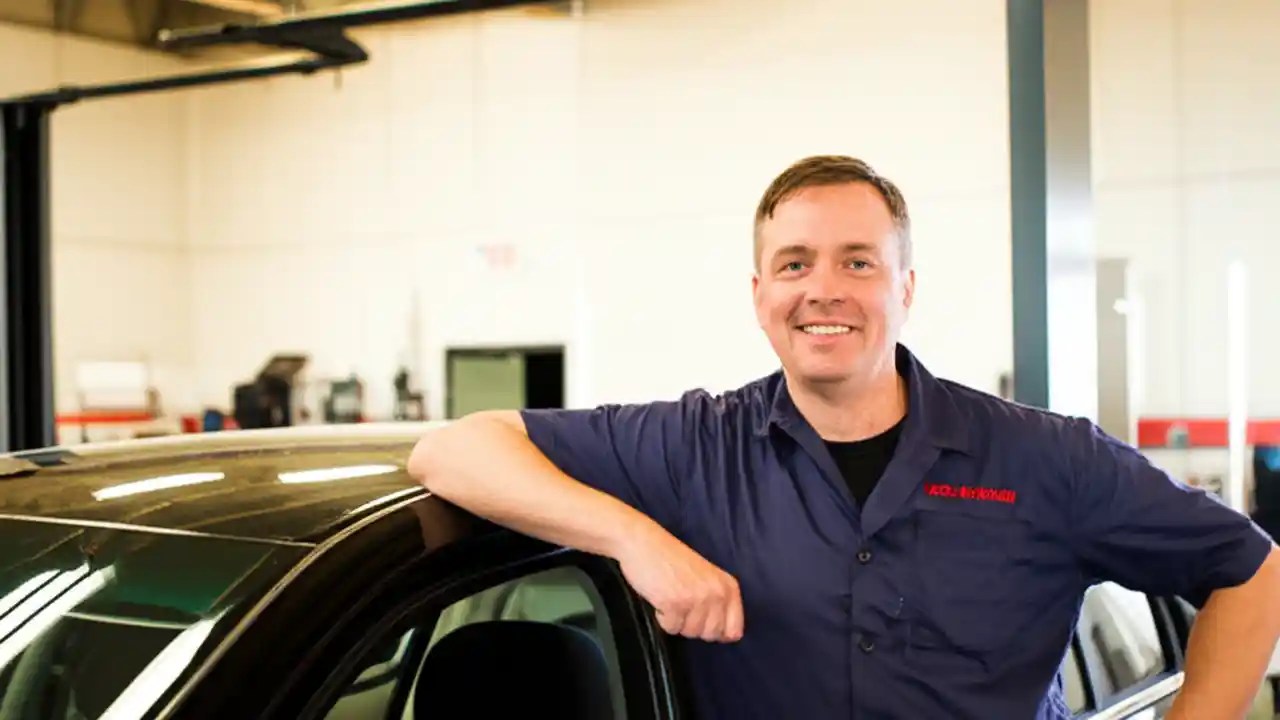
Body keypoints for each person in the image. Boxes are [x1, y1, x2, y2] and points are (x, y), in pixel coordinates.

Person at [407, 155, 1280, 719]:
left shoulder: (1046, 458)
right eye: (795, 264)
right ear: (759, 295)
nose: (823, 290)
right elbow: (450, 451)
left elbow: (1252, 569)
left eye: (857, 262)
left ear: (906, 287)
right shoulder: (692, 446)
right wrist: (635, 540)